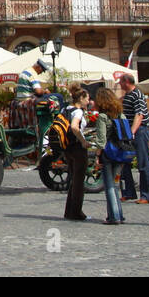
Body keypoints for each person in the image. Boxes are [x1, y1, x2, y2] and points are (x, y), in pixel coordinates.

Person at [87, 89, 127, 225]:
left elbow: (101, 140)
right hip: (121, 152)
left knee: (109, 186)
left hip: (109, 154)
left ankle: (114, 216)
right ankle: (119, 215)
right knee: (115, 186)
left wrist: (97, 156)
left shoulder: (103, 117)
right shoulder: (121, 115)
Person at [117, 74, 149, 204]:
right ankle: (129, 192)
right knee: (125, 162)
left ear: (126, 82)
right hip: (130, 132)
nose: (119, 84)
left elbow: (139, 115)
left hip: (139, 131)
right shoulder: (128, 95)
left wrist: (132, 132)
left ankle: (146, 195)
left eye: (120, 82)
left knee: (143, 163)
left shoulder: (137, 94)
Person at [63, 87, 91, 221]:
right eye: (87, 98)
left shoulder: (65, 109)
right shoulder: (78, 111)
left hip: (67, 148)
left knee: (73, 179)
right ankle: (76, 212)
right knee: (79, 181)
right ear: (81, 99)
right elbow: (74, 127)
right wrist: (83, 141)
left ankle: (69, 211)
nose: (89, 101)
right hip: (77, 148)